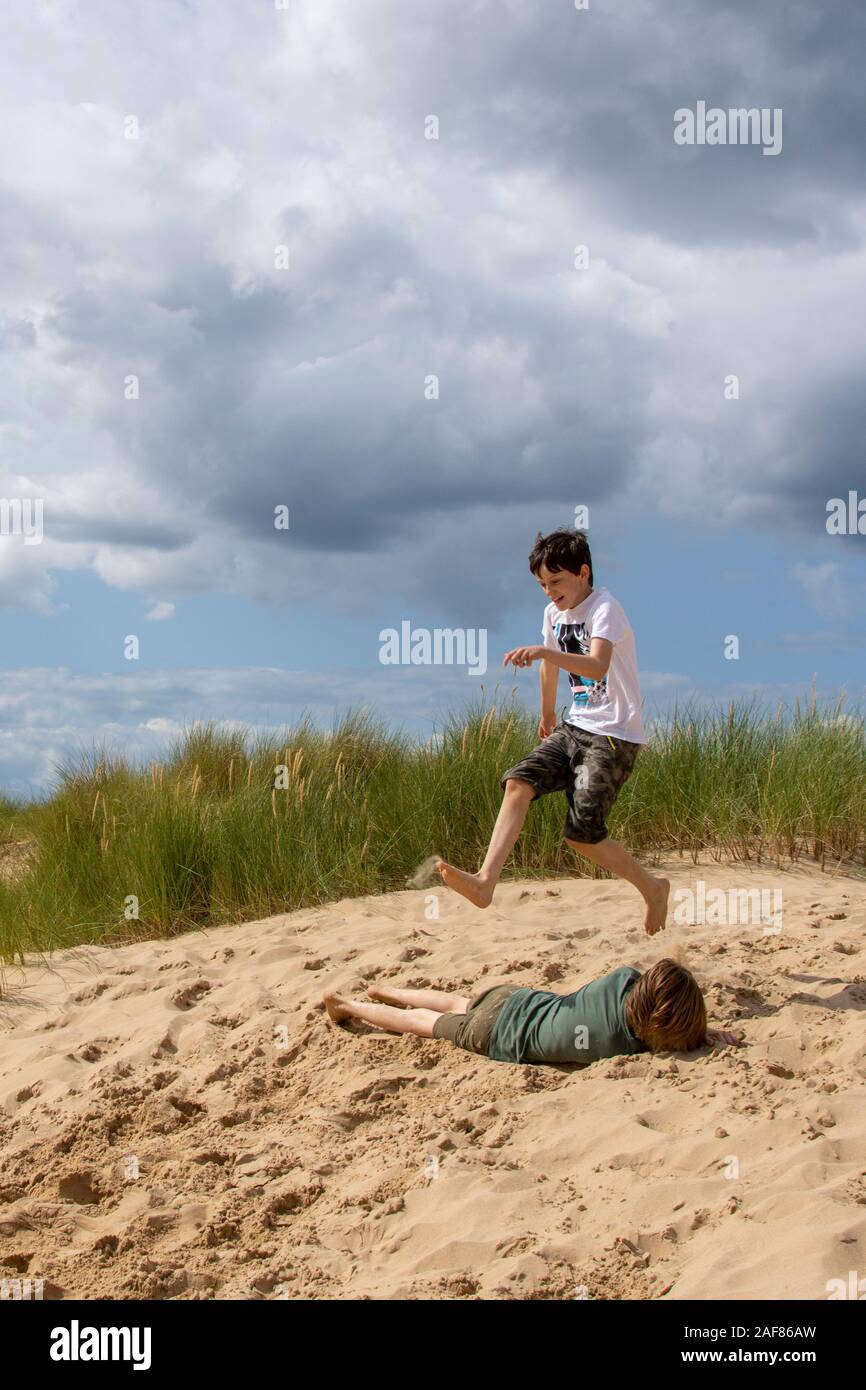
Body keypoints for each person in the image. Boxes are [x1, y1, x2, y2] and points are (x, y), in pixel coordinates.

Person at [436, 526, 670, 935]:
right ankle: (485, 882)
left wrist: (547, 651)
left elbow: (596, 665)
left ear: (583, 572)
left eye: (556, 581)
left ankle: (652, 889)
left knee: (582, 837)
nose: (549, 592)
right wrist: (545, 713)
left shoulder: (605, 609)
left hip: (614, 734)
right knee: (517, 783)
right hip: (573, 726)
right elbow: (550, 666)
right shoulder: (553, 614)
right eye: (542, 584)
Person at [323, 959, 742, 1066]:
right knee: (426, 1025)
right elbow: (660, 1037)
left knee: (456, 1002)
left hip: (515, 996)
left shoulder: (620, 981)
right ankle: (350, 1006)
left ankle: (386, 989)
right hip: (498, 1032)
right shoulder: (621, 1045)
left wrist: (701, 1027)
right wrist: (699, 1037)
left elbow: (656, 998)